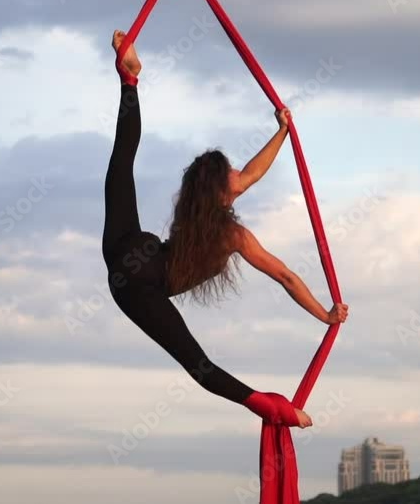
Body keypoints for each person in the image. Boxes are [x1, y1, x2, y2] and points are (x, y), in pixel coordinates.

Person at [102, 30, 348, 427]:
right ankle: (268, 405)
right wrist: (325, 314)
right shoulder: (233, 237)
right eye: (231, 175)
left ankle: (129, 81)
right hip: (141, 286)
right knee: (199, 366)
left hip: (127, 248)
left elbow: (250, 173)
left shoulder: (198, 206)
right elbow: (285, 276)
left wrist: (282, 132)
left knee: (121, 166)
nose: (239, 175)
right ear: (222, 192)